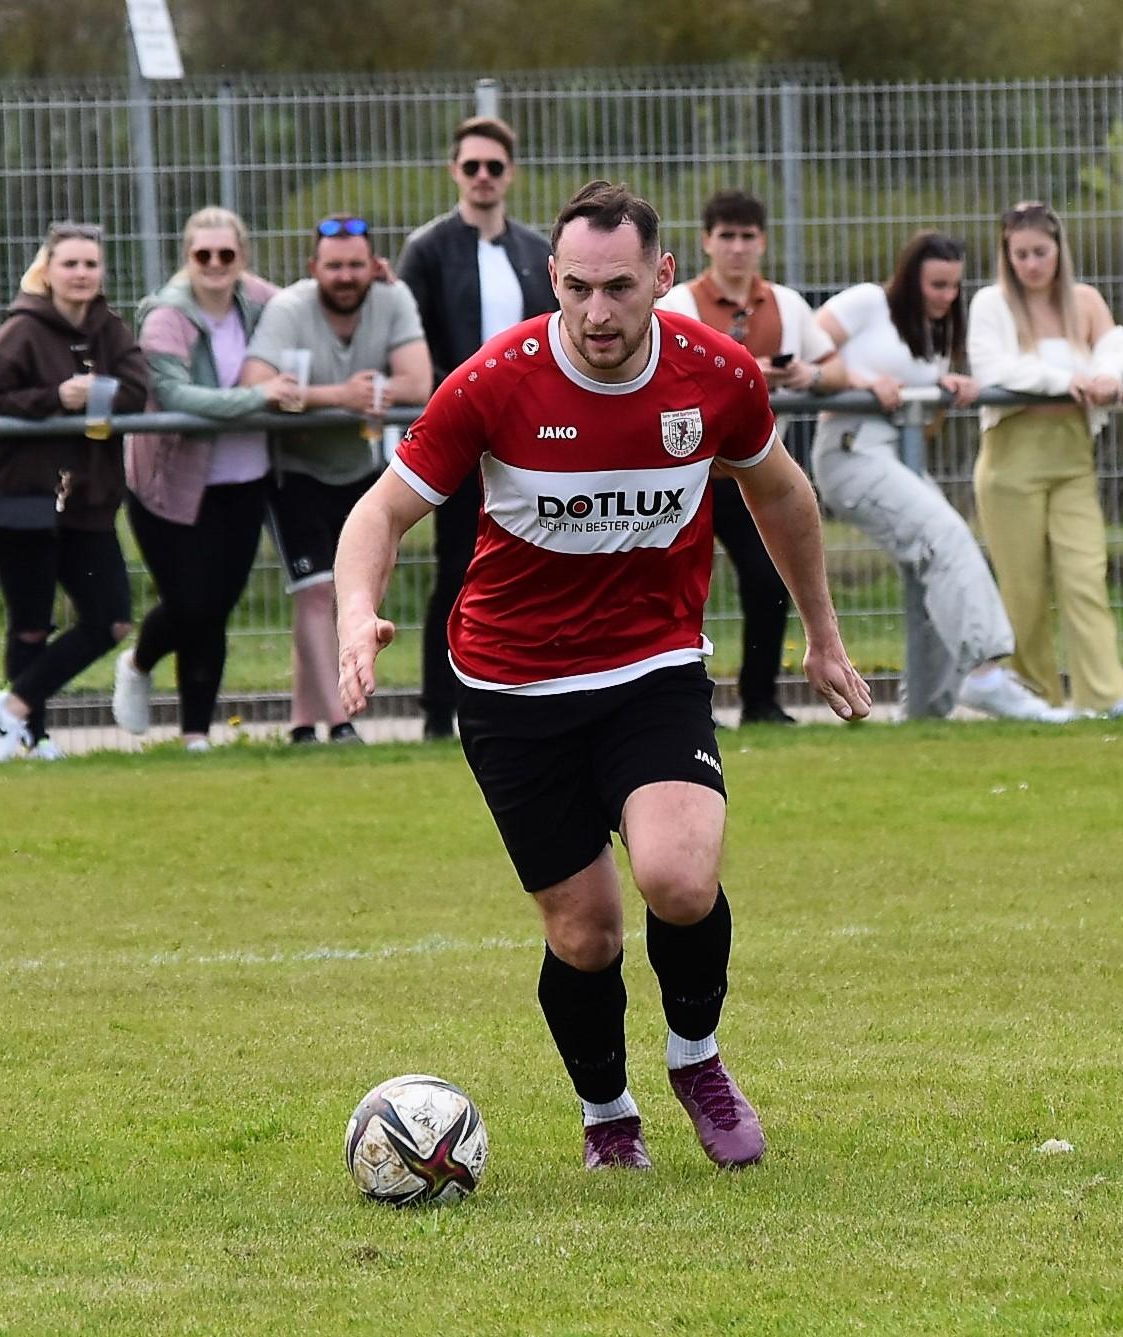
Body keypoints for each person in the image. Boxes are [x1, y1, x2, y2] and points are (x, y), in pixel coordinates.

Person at [334, 181, 872, 1173]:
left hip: (650, 666)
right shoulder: (495, 381)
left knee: (678, 874)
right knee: (584, 933)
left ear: (663, 277)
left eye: (619, 288)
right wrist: (355, 614)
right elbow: (377, 514)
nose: (596, 313)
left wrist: (822, 633)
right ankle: (607, 1113)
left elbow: (782, 493)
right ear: (553, 279)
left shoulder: (715, 374)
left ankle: (697, 1061)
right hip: (509, 688)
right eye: (576, 287)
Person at [810, 231, 1069, 722]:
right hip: (851, 451)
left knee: (945, 558)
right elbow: (808, 346)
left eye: (953, 286)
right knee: (945, 537)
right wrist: (865, 383)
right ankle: (986, 672)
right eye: (936, 284)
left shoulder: (936, 333)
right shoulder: (869, 303)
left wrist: (945, 386)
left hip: (900, 455)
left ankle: (927, 711)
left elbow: (923, 418)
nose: (946, 296)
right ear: (911, 278)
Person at [657, 189, 846, 724]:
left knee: (768, 580)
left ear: (761, 242)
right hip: (684, 468)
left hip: (751, 471)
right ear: (706, 242)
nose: (737, 248)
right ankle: (681, 703)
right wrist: (746, 374)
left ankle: (760, 699)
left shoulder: (786, 303)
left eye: (746, 237)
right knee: (671, 587)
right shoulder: (678, 306)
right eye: (726, 236)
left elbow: (836, 370)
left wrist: (809, 376)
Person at [113, 207, 299, 750]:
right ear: (186, 259)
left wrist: (372, 279)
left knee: (216, 608)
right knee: (190, 602)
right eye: (203, 255)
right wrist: (257, 398)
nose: (215, 264)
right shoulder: (166, 317)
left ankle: (196, 735)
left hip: (244, 480)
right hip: (168, 484)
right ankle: (139, 661)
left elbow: (307, 304)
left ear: (242, 257)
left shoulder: (261, 300)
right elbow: (174, 395)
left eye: (226, 254)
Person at [241, 214, 430, 744]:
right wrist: (338, 397)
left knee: (346, 593)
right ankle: (341, 720)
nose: (345, 276)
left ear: (373, 267)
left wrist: (371, 395)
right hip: (294, 469)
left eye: (355, 265)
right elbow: (256, 383)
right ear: (313, 269)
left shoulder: (393, 300)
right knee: (314, 590)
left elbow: (419, 382)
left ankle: (304, 724)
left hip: (360, 467)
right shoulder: (289, 308)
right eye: (334, 266)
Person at [967, 201, 1123, 719]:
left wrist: (1109, 377)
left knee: (1085, 576)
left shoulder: (1085, 300)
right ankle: (1038, 696)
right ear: (1007, 255)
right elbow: (995, 368)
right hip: (1011, 466)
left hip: (1073, 460)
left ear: (1059, 250)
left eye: (1041, 252)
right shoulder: (992, 304)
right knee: (1024, 588)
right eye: (1021, 254)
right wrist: (1067, 381)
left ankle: (1107, 694)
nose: (1032, 264)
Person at [398, 115, 557, 741]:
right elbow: (410, 341)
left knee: (538, 563)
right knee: (458, 570)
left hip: (530, 439)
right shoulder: (427, 249)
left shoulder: (532, 249)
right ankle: (440, 711)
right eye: (473, 167)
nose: (484, 177)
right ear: (454, 171)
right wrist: (465, 403)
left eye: (495, 167)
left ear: (510, 173)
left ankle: (532, 693)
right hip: (459, 435)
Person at [0, 221, 149, 762]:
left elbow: (139, 393)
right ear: (47, 271)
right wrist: (55, 398)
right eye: (69, 264)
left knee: (111, 618)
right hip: (23, 496)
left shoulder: (109, 331)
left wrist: (103, 394)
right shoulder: (20, 331)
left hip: (89, 499)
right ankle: (30, 737)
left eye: (90, 264)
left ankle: (12, 707)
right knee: (31, 623)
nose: (81, 274)